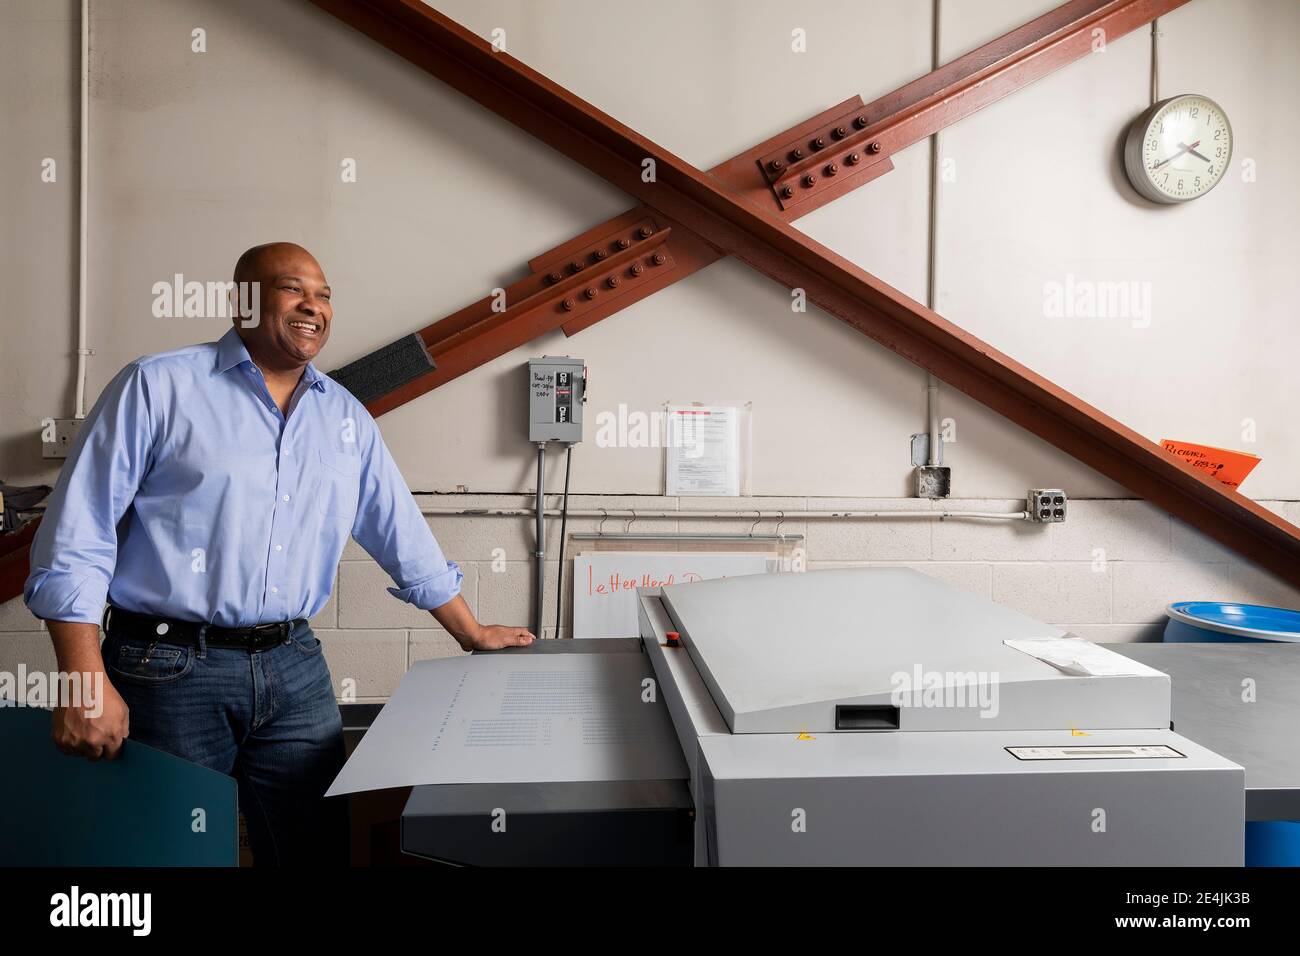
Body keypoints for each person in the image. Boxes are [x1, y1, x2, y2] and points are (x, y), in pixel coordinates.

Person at [24, 241, 533, 865]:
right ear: (242, 301)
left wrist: (471, 631)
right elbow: (77, 535)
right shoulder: (157, 387)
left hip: (293, 665)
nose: (313, 306)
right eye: (293, 290)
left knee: (314, 848)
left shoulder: (344, 416)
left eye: (324, 295)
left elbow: (400, 532)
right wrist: (82, 681)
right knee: (170, 853)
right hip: (166, 665)